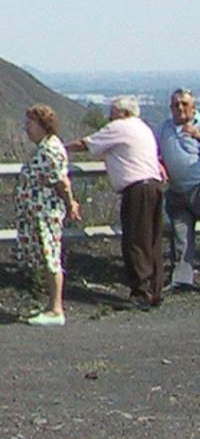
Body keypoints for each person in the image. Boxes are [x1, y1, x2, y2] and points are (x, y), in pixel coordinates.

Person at [69, 96, 165, 308]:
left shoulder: (120, 127)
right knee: (152, 241)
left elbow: (87, 143)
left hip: (137, 189)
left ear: (123, 113)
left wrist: (61, 148)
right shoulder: (143, 127)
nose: (109, 116)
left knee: (136, 241)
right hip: (154, 186)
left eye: (112, 111)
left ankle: (141, 293)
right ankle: (154, 291)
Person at [14, 105, 80, 325]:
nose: (26, 128)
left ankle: (56, 308)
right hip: (38, 211)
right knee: (46, 256)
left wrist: (71, 203)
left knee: (51, 257)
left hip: (46, 213)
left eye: (30, 124)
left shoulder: (50, 149)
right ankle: (51, 305)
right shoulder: (44, 147)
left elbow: (61, 180)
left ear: (42, 125)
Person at [157, 88, 200, 288]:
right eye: (176, 105)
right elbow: (152, 149)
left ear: (194, 106)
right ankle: (183, 279)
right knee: (181, 235)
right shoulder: (164, 128)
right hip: (177, 191)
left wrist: (198, 135)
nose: (180, 108)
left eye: (184, 104)